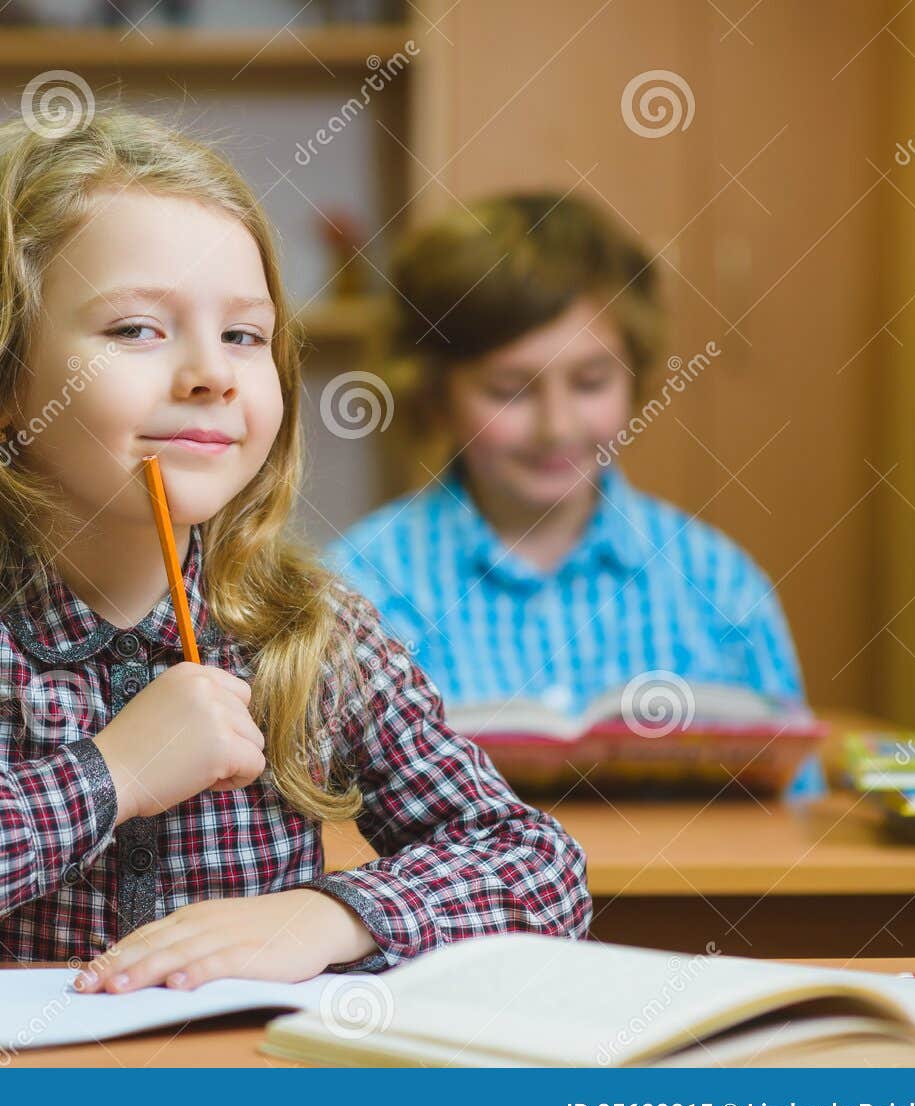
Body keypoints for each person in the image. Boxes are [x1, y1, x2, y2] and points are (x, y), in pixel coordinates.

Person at [0, 110, 591, 986]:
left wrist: (330, 915)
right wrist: (111, 774)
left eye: (244, 336)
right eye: (137, 330)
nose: (212, 374)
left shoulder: (308, 630)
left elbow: (535, 865)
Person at [326, 191, 822, 799]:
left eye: (591, 381)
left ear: (634, 376)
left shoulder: (716, 582)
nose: (557, 425)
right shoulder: (359, 588)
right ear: (434, 392)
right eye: (510, 388)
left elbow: (799, 810)